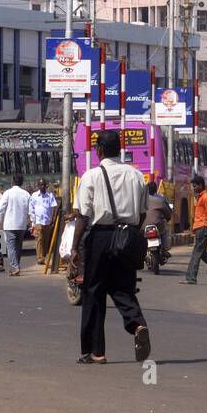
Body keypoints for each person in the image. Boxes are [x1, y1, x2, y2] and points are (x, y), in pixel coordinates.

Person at [75, 128, 152, 365]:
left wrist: (74, 248)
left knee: (94, 291)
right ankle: (137, 324)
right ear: (120, 150)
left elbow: (82, 215)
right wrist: (130, 234)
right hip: (126, 237)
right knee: (123, 289)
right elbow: (141, 213)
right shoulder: (136, 175)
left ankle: (95, 352)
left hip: (100, 237)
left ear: (98, 151)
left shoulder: (91, 175)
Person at [0, 173, 31, 277]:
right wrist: (32, 222)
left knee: (11, 247)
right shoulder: (26, 194)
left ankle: (15, 268)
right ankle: (16, 266)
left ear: (12, 182)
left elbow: (1, 206)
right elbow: (31, 209)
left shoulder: (7, 193)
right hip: (21, 225)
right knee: (18, 247)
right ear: (22, 182)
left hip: (10, 224)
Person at [29, 179, 59, 266]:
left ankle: (43, 256)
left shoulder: (50, 195)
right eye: (41, 185)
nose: (42, 186)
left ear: (46, 186)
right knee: (39, 239)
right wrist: (32, 222)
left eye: (44, 185)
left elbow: (54, 207)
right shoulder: (34, 196)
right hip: (38, 221)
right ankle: (39, 257)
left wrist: (53, 219)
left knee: (46, 240)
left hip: (47, 221)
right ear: (38, 186)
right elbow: (31, 209)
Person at [143, 179, 173, 266]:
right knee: (165, 231)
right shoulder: (160, 199)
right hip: (157, 226)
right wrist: (167, 218)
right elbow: (168, 213)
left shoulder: (141, 200)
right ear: (156, 190)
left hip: (143, 226)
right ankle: (165, 250)